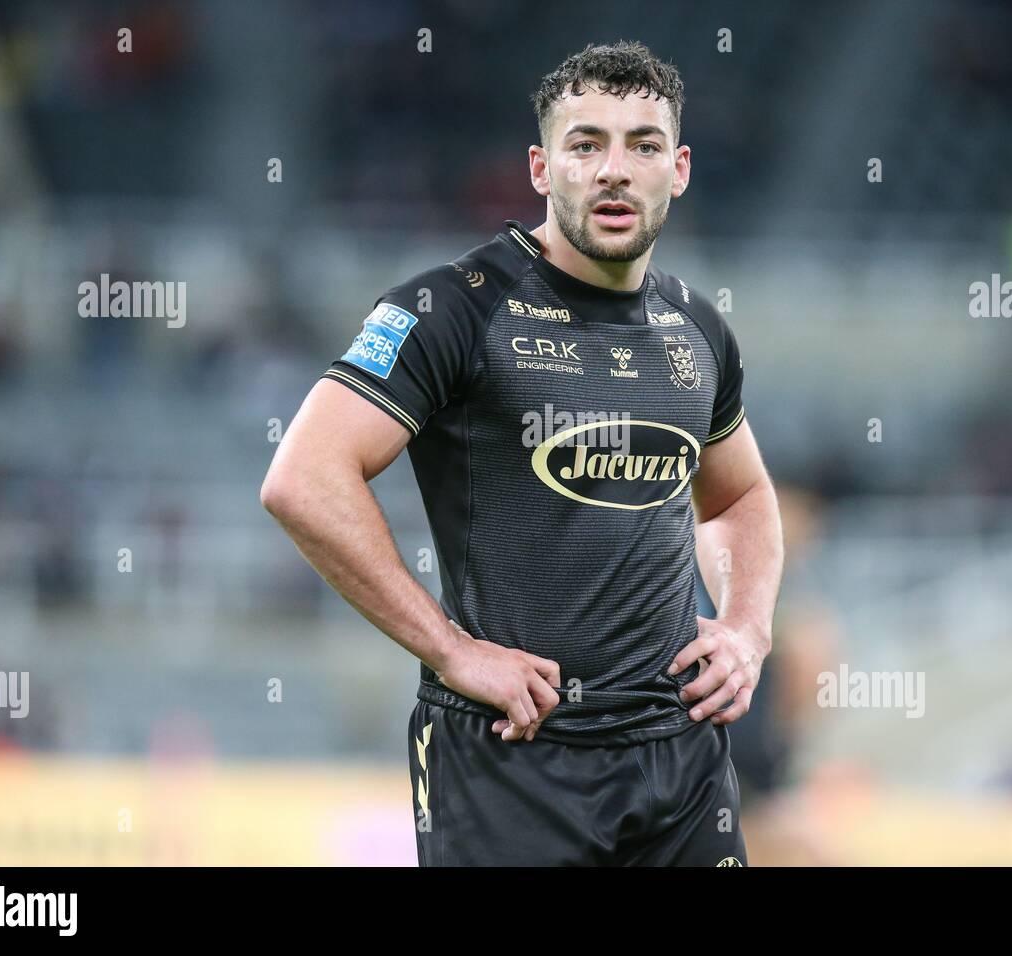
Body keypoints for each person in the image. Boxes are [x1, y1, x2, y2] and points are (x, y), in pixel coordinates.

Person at [261, 40, 782, 866]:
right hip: (512, 760)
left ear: (677, 169)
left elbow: (740, 498)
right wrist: (450, 650)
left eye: (642, 145)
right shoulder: (452, 308)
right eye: (587, 144)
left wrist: (748, 628)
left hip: (681, 764)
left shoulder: (698, 328)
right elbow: (303, 478)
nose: (615, 170)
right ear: (541, 168)